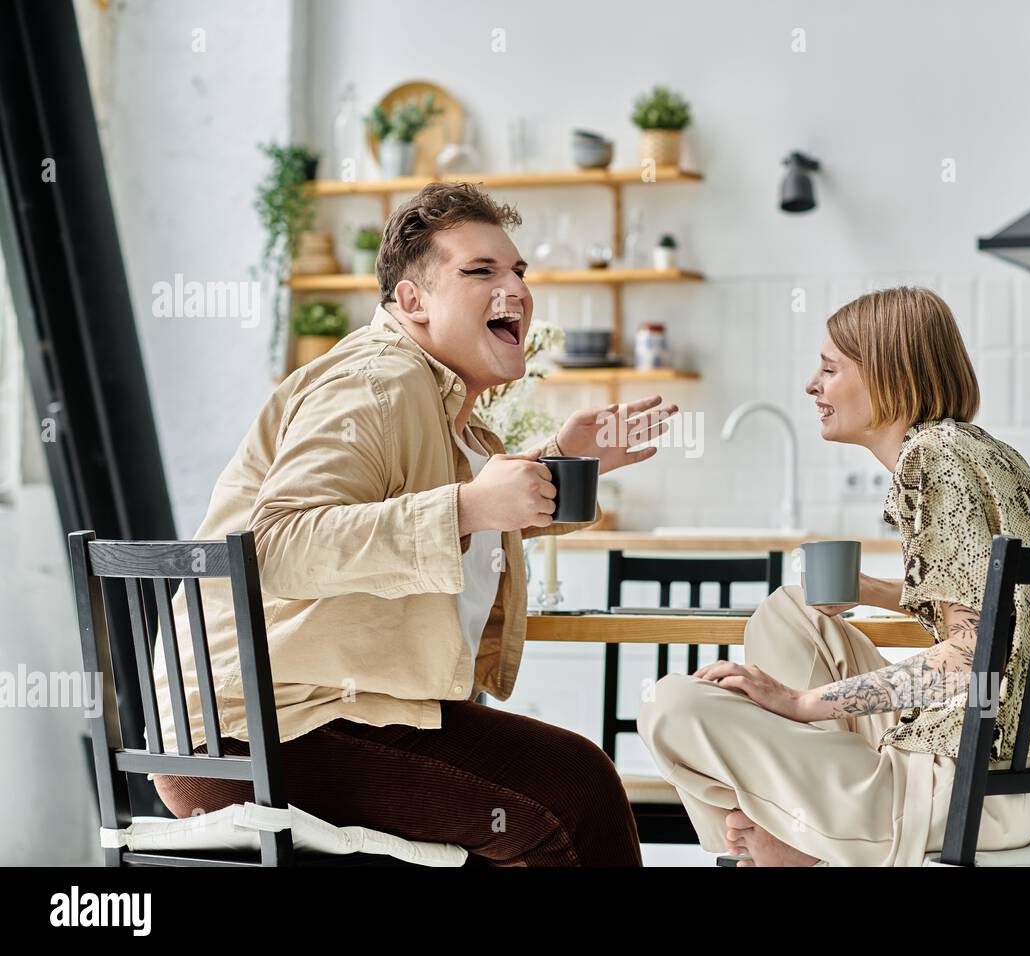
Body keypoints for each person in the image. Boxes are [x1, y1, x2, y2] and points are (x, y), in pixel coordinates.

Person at [151, 182, 676, 866]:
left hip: (294, 720)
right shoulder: (378, 382)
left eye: (519, 270)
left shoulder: (444, 405)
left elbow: (446, 513)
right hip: (254, 734)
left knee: (538, 795)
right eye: (480, 271)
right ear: (411, 302)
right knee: (571, 792)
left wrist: (557, 466)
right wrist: (469, 506)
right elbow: (277, 543)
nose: (513, 288)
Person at [638, 286, 1030, 866]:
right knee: (791, 610)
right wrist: (875, 593)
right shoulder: (980, 450)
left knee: (672, 705)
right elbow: (1004, 608)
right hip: (1006, 777)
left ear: (890, 375)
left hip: (960, 793)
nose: (811, 385)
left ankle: (792, 837)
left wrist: (801, 703)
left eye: (829, 368)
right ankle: (795, 823)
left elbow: (974, 658)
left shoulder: (934, 459)